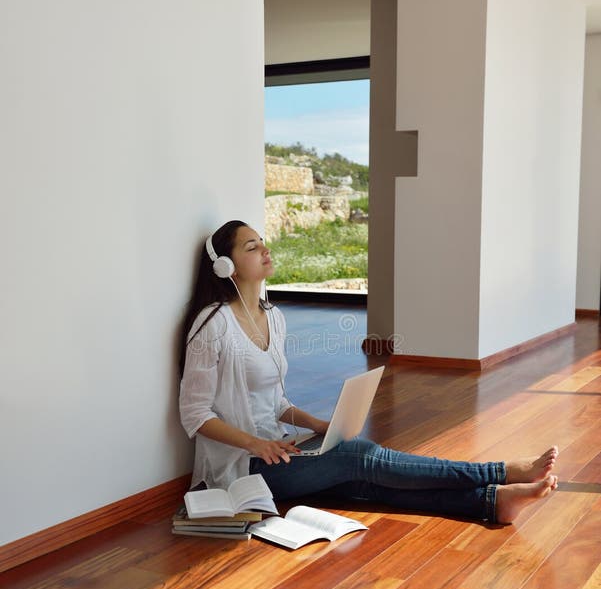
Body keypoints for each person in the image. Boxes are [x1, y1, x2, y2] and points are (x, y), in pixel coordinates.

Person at [179, 220, 559, 526]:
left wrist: (321, 425)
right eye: (251, 246)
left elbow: (274, 400)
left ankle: (492, 503)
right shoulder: (212, 324)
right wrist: (255, 443)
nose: (265, 248)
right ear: (224, 266)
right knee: (362, 457)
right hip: (244, 468)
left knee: (366, 480)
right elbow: (195, 415)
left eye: (262, 241)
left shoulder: (273, 317)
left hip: (280, 449)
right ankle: (501, 472)